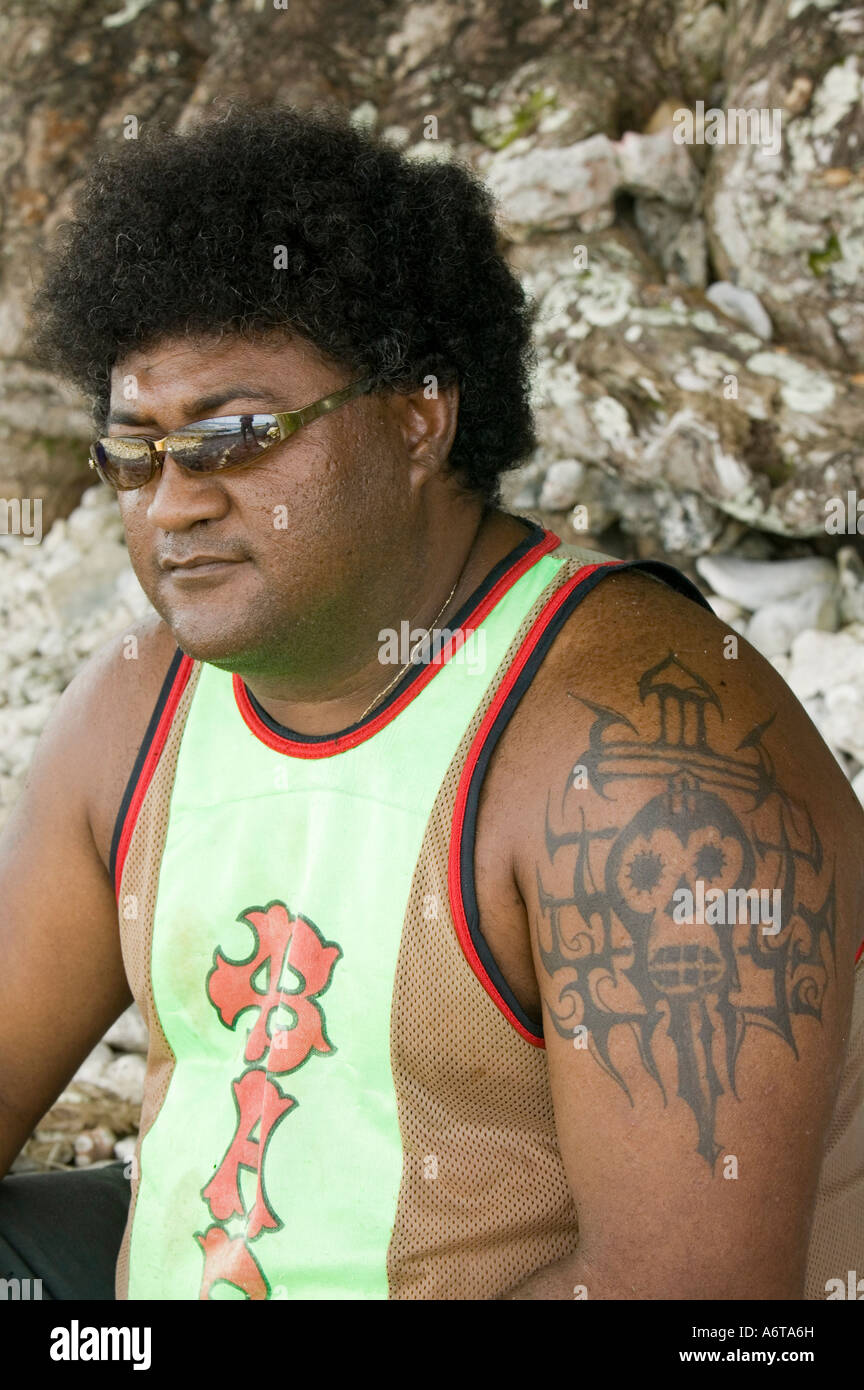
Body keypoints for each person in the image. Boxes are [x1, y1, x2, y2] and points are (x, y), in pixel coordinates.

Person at [0, 102, 860, 1302]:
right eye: (135, 450)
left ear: (418, 418)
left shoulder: (638, 756)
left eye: (237, 436)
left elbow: (697, 1308)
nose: (173, 503)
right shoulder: (134, 711)